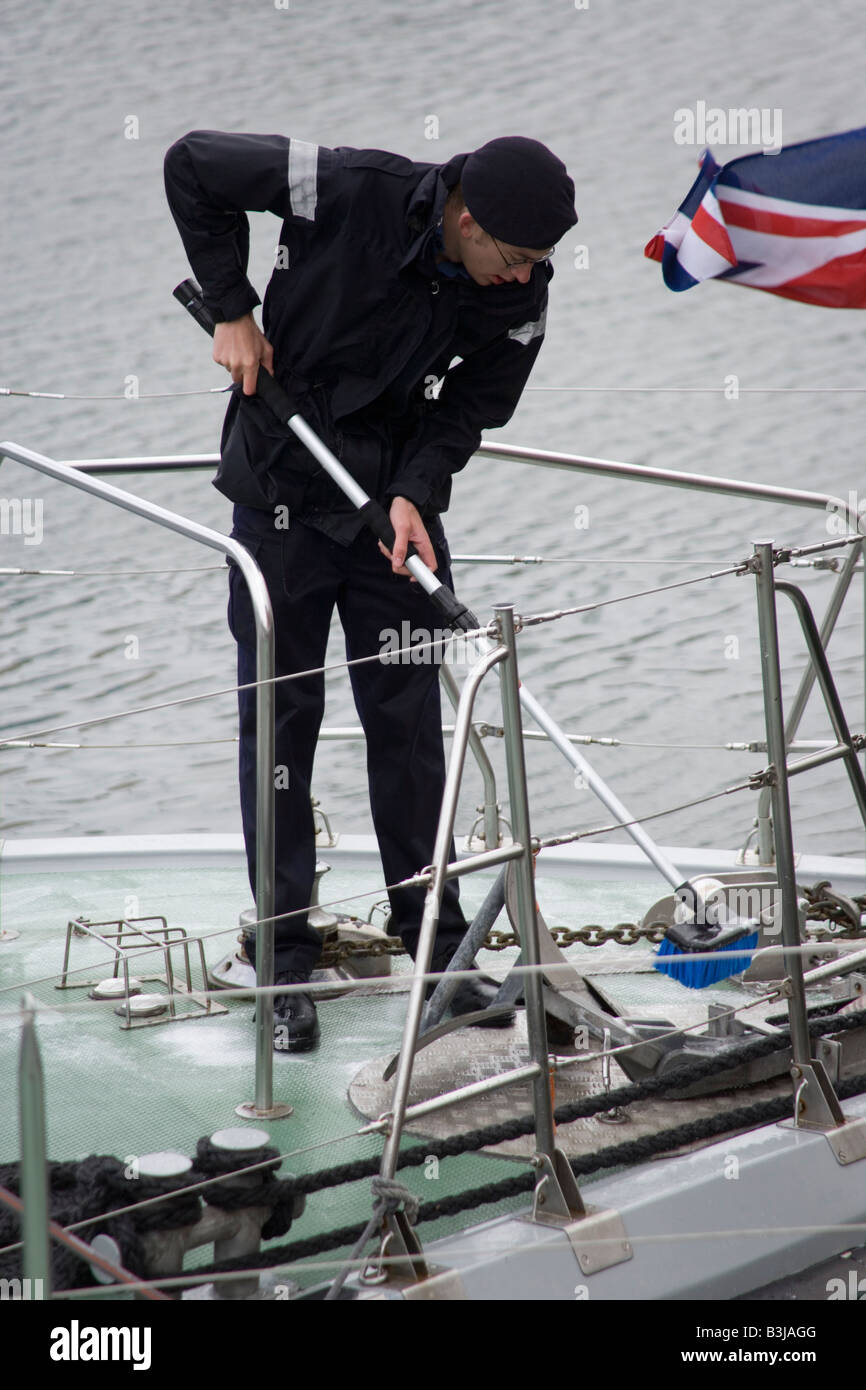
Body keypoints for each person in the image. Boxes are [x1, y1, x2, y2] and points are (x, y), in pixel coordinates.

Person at [164, 130, 578, 1051]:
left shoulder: (522, 287)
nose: (525, 280)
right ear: (467, 219)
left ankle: (437, 947)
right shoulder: (343, 186)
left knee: (408, 725)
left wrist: (414, 492)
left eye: (540, 264)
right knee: (281, 725)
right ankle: (283, 964)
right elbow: (193, 165)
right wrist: (233, 309)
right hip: (282, 494)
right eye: (514, 260)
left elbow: (473, 403)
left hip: (394, 520)